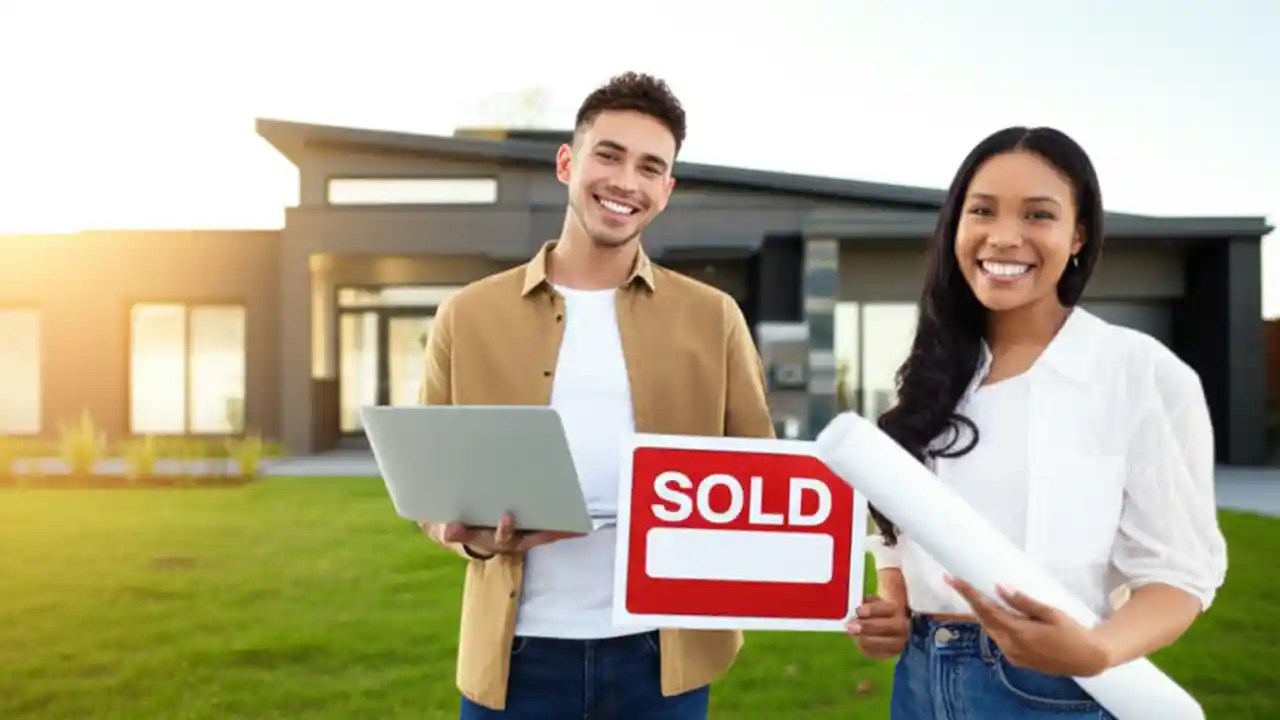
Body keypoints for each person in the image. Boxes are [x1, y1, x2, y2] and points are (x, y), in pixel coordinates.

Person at [416, 71, 776, 719]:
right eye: (608, 155)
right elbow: (432, 492)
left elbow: (758, 479)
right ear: (567, 163)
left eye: (649, 167)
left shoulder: (714, 317)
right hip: (515, 660)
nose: (625, 183)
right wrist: (469, 536)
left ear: (666, 191)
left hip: (661, 659)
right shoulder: (466, 316)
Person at [844, 126, 1228, 718]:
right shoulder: (937, 371)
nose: (1003, 237)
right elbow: (902, 525)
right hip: (919, 679)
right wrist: (893, 606)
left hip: (1047, 690)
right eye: (982, 211)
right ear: (956, 228)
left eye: (1038, 215)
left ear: (1078, 235)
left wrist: (1096, 652)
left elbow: (1179, 574)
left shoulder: (1138, 371)